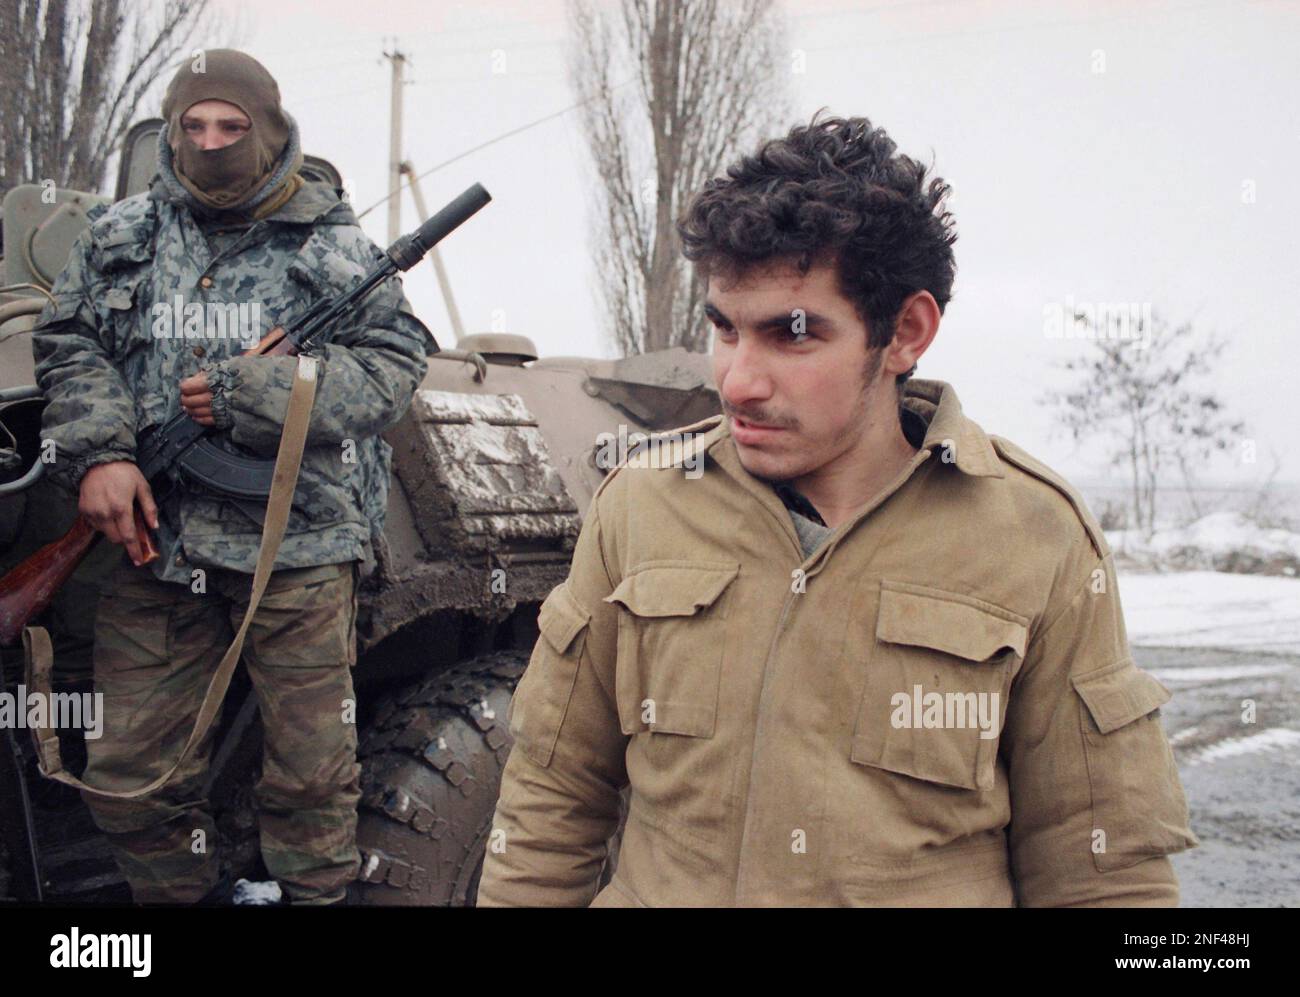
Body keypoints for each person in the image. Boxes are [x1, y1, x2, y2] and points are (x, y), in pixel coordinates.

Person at [477, 113, 1197, 907]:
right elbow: (552, 799)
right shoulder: (641, 505)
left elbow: (1102, 873)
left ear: (905, 333)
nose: (737, 380)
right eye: (724, 328)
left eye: (791, 335)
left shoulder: (1036, 537)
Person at [31, 49, 433, 905]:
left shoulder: (331, 243)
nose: (211, 143)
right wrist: (102, 453)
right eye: (194, 126)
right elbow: (68, 342)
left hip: (299, 548)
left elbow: (394, 367)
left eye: (232, 126)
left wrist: (265, 392)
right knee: (126, 774)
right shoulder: (122, 236)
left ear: (271, 130)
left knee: (310, 781)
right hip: (158, 548)